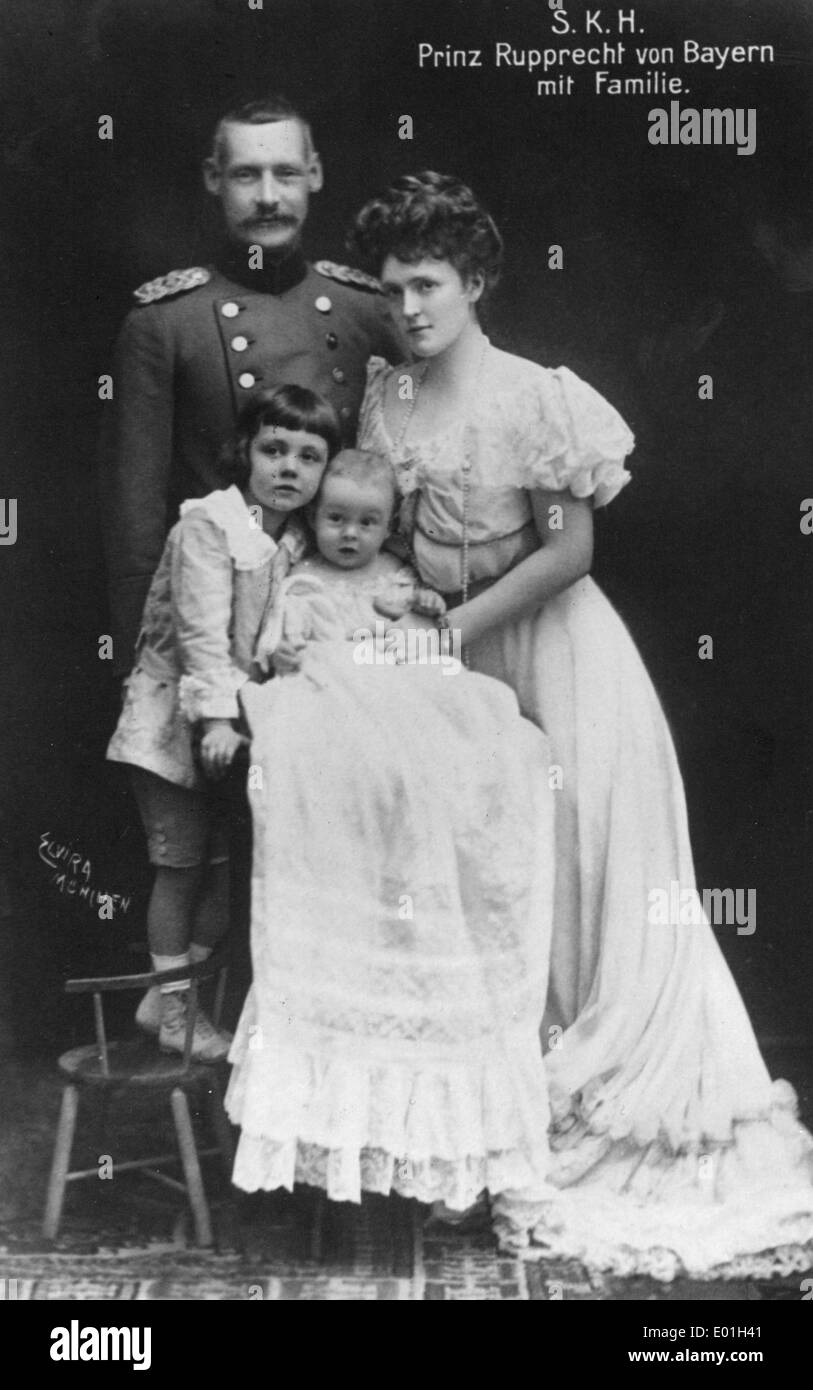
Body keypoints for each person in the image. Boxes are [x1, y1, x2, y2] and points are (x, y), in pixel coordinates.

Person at [348, 171, 813, 1277]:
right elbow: (396, 537)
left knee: (590, 875)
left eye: (429, 284)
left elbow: (569, 553)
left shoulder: (536, 395)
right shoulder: (387, 398)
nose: (410, 307)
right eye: (394, 287)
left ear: (478, 282)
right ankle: (494, 1116)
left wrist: (449, 626)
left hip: (558, 653)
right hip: (453, 657)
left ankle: (605, 1107)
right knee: (495, 881)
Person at [225, 447, 557, 1217]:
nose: (349, 535)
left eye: (365, 522)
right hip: (336, 703)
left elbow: (428, 645)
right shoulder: (301, 580)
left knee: (483, 745)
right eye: (335, 519)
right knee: (350, 756)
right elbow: (276, 652)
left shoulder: (398, 579)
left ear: (388, 526)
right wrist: (294, 651)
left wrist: (423, 615)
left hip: (403, 693)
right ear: (316, 517)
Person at [98, 94, 403, 672]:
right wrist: (147, 656)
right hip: (218, 618)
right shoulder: (163, 322)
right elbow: (133, 514)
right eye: (246, 175)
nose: (268, 196)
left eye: (285, 173)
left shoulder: (369, 312)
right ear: (214, 179)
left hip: (347, 613)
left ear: (314, 174)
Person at [106, 385, 341, 1058]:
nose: (288, 468)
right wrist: (216, 718)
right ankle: (175, 1012)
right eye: (272, 450)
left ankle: (167, 997)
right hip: (173, 721)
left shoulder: (291, 540)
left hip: (231, 727)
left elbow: (264, 633)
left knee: (219, 870)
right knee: (178, 867)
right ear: (244, 453)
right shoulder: (211, 525)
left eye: (307, 457)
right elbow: (203, 634)